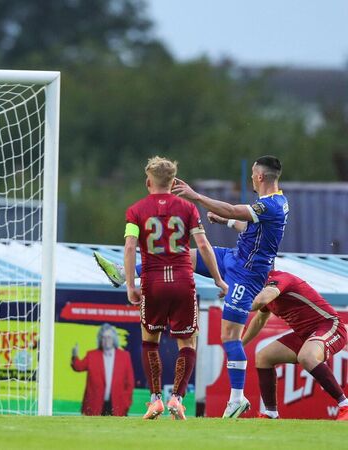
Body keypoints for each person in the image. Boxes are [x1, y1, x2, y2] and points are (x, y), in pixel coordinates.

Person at [95, 155, 287, 418]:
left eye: (253, 174)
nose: (251, 177)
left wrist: (196, 196)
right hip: (235, 257)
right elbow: (244, 224)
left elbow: (234, 210)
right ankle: (122, 274)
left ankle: (236, 398)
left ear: (260, 176)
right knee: (188, 256)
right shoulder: (276, 201)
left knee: (230, 336)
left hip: (248, 273)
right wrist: (226, 223)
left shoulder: (272, 205)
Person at [123, 157, 226, 420]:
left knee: (150, 340)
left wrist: (130, 285)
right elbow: (203, 246)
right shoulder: (188, 209)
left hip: (153, 282)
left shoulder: (135, 211)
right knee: (187, 342)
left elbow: (130, 246)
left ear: (148, 181)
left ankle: (155, 399)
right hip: (182, 281)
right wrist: (217, 279)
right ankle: (177, 399)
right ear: (173, 182)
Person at [242, 270, 348, 420]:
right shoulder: (263, 288)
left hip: (330, 326)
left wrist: (236, 304)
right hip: (304, 334)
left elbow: (260, 301)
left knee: (307, 357)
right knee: (264, 357)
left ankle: (345, 405)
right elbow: (259, 320)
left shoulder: (279, 280)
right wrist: (240, 345)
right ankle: (271, 413)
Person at [70, 323, 134, 416]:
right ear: (100, 339)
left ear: (114, 339)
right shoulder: (91, 355)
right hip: (95, 405)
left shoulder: (124, 356)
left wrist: (126, 403)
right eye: (103, 337)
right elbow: (78, 367)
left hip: (118, 405)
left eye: (109, 337)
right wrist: (75, 355)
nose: (106, 340)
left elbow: (130, 383)